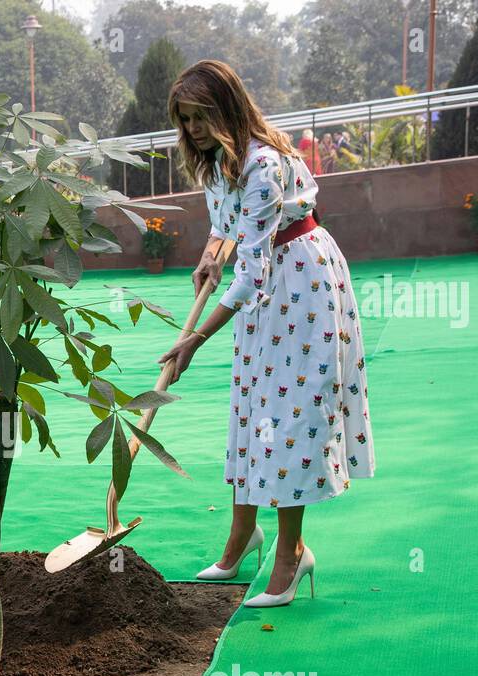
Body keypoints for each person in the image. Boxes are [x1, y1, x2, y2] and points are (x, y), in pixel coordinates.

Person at [159, 59, 376, 608]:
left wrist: (194, 340)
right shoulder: (216, 162)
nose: (192, 130)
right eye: (184, 120)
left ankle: (291, 552)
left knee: (290, 416)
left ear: (226, 108)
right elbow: (225, 224)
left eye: (200, 117)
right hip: (265, 283)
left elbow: (253, 272)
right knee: (253, 407)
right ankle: (241, 537)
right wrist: (212, 256)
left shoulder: (263, 165)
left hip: (299, 285)